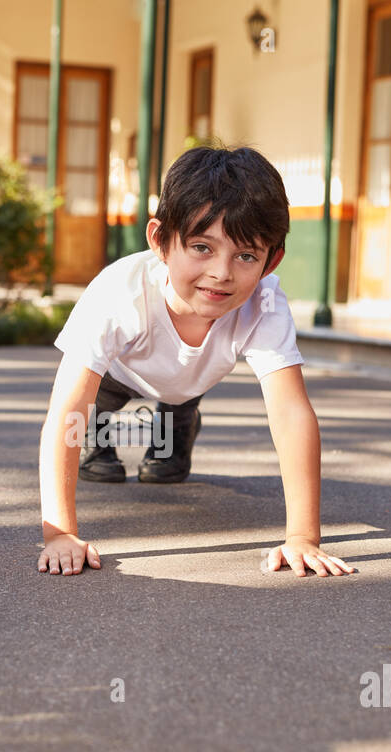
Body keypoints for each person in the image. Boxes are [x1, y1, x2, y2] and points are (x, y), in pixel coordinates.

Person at [38, 145, 355, 580]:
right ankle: (102, 436)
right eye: (202, 247)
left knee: (172, 440)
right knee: (94, 414)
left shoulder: (264, 303)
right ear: (160, 242)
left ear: (271, 261)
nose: (221, 273)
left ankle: (176, 426)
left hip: (190, 379)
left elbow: (290, 411)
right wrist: (59, 533)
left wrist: (303, 537)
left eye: (246, 256)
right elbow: (66, 411)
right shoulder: (118, 296)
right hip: (122, 371)